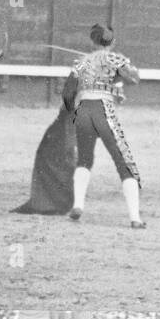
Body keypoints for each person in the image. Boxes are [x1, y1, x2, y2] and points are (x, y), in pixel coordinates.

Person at [67, 24, 144, 228]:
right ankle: (135, 218)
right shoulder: (116, 59)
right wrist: (126, 69)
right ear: (113, 41)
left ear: (91, 42)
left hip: (82, 112)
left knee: (84, 159)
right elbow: (135, 79)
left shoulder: (81, 62)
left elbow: (67, 93)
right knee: (124, 163)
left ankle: (78, 205)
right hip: (104, 113)